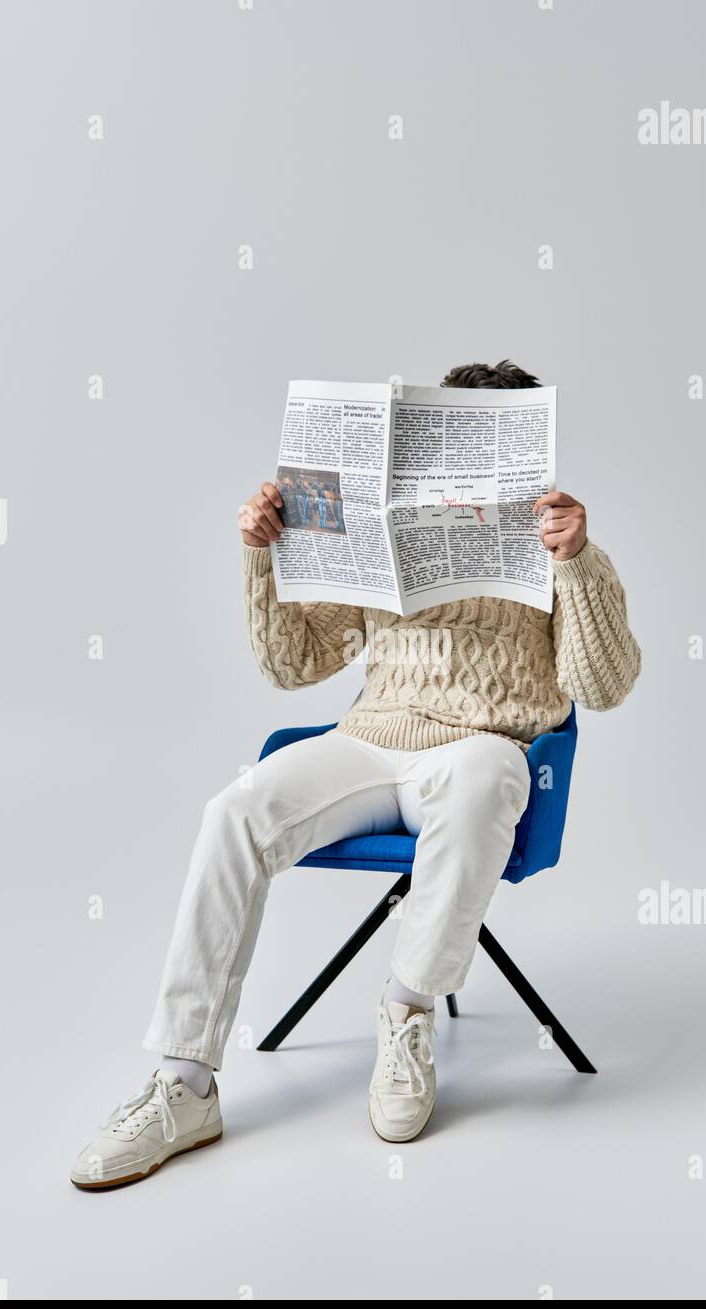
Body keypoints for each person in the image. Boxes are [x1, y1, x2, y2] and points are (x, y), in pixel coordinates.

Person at [70, 359, 641, 1189]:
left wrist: (577, 561)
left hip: (480, 749)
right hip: (373, 739)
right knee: (234, 810)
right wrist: (262, 554)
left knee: (485, 770)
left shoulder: (564, 549)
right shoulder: (392, 524)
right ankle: (184, 1084)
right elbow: (294, 663)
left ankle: (406, 1012)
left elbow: (605, 685)